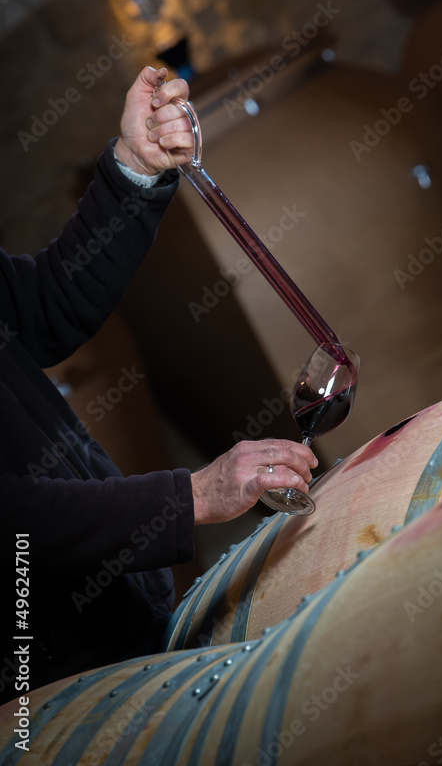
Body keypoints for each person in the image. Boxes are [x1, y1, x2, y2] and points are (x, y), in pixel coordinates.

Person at [0, 66, 316, 704]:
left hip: (118, 626)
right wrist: (193, 495)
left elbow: (45, 307)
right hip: (36, 694)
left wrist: (133, 170)